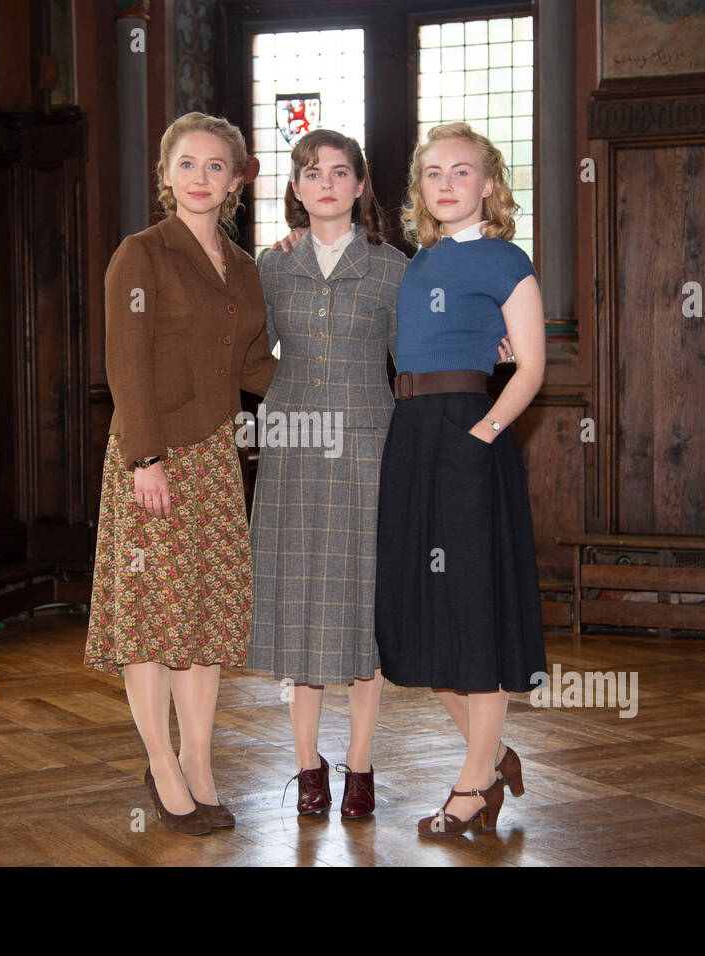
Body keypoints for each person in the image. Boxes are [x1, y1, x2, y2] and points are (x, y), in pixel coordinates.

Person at [84, 112, 277, 836]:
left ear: (235, 180)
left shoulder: (244, 266)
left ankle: (201, 765)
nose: (202, 177)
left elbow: (252, 364)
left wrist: (333, 381)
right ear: (166, 175)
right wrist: (145, 459)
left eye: (216, 166)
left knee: (204, 617)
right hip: (152, 458)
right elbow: (125, 361)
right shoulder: (141, 254)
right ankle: (162, 766)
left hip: (216, 459)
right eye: (188, 164)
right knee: (152, 620)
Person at [373, 121, 547, 838]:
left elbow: (531, 367)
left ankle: (473, 785)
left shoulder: (508, 260)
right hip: (409, 435)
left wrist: (483, 433)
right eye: (433, 173)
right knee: (418, 612)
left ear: (490, 184)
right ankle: (496, 751)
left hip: (471, 437)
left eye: (462, 171)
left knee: (473, 611)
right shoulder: (414, 265)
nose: (446, 184)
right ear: (421, 189)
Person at [247, 130, 406, 819]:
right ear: (296, 187)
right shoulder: (271, 267)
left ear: (361, 185)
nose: (328, 184)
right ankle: (307, 767)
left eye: (341, 173)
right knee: (301, 606)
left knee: (360, 608)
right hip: (293, 451)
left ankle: (361, 766)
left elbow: (414, 367)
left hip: (370, 446)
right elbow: (248, 357)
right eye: (313, 173)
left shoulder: (395, 268)